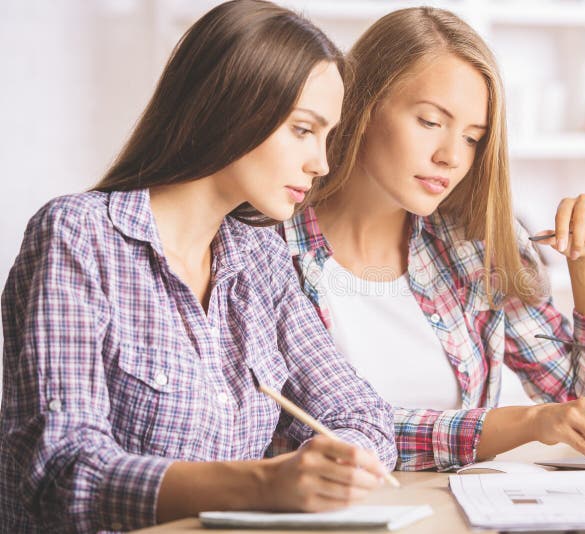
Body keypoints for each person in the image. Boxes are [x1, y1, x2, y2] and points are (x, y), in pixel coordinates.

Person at [0, 1, 397, 532]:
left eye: (327, 137)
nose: (321, 164)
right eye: (304, 130)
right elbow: (62, 469)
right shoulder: (78, 236)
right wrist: (262, 485)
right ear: (233, 108)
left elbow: (361, 413)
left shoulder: (261, 258)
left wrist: (332, 465)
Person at [277, 6, 585, 472]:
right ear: (361, 105)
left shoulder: (473, 247)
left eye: (473, 138)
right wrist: (525, 423)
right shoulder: (269, 245)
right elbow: (322, 429)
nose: (451, 156)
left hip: (454, 507)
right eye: (430, 122)